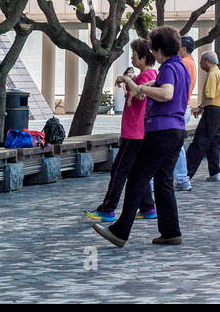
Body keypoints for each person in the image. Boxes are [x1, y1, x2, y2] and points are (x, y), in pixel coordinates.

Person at [92, 26, 191, 247]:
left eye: (154, 50)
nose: (153, 55)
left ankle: (120, 230)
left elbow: (166, 93)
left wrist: (143, 90)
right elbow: (164, 86)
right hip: (176, 130)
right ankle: (170, 231)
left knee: (137, 178)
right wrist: (143, 85)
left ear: (159, 49)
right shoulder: (181, 67)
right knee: (164, 180)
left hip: (160, 130)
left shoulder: (167, 67)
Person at [84, 38, 157, 223]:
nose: (132, 59)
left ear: (142, 57)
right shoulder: (148, 76)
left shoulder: (144, 78)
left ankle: (107, 209)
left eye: (134, 56)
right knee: (136, 170)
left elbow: (140, 94)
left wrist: (127, 79)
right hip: (139, 131)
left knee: (119, 170)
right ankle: (148, 207)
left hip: (134, 132)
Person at [184, 50, 220, 182]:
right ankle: (215, 172)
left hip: (212, 111)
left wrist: (200, 108)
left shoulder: (212, 75)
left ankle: (186, 173)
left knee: (199, 142)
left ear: (208, 62)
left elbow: (210, 96)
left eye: (202, 61)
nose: (200, 63)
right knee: (214, 142)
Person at [172, 34, 200, 192]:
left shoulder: (183, 63)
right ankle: (181, 178)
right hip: (184, 107)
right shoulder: (191, 62)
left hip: (180, 108)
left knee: (176, 144)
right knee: (176, 144)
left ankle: (182, 178)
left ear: (183, 48)